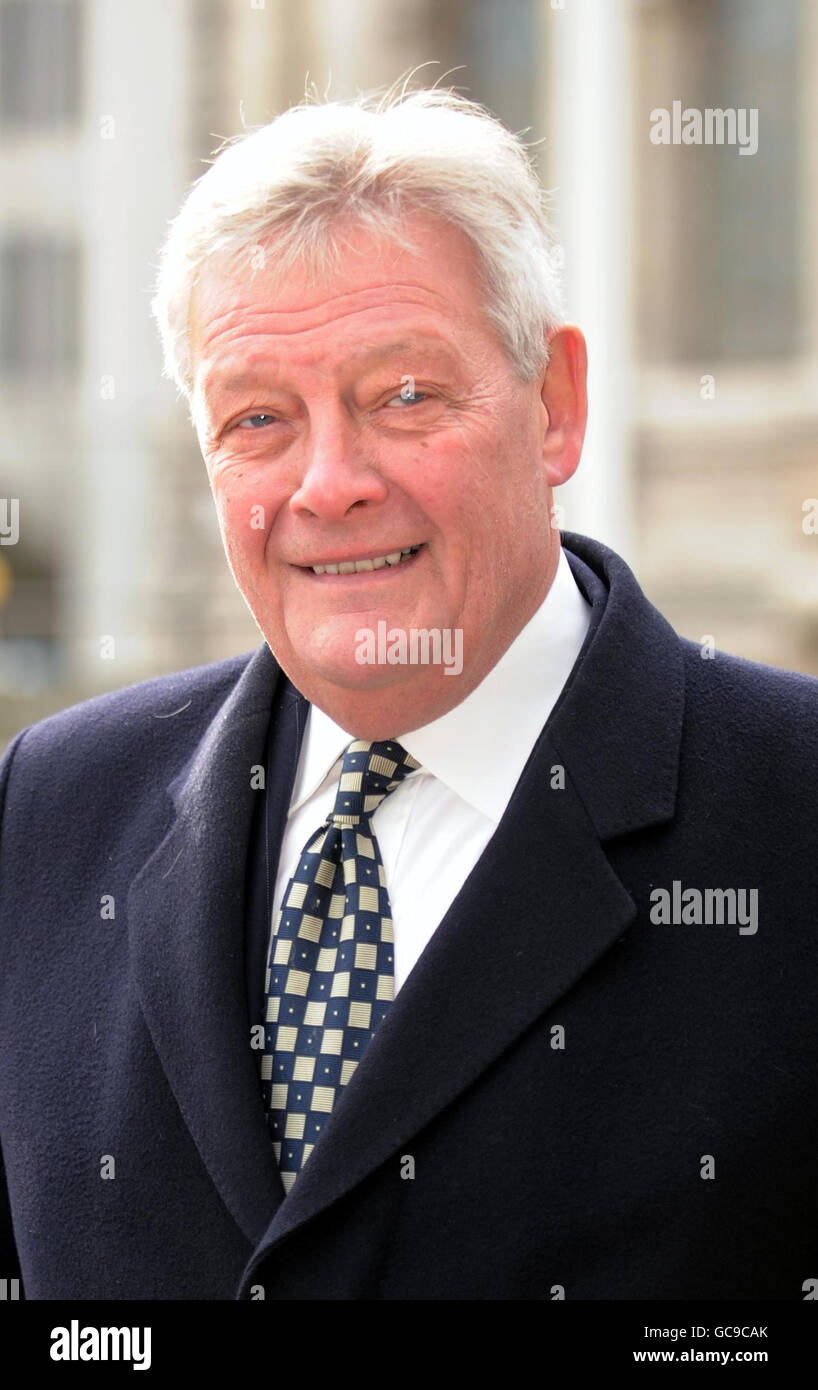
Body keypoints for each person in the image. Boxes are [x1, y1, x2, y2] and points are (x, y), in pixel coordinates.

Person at [0, 86, 816, 1302]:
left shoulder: (792, 812)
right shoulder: (47, 809)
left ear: (553, 406)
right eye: (259, 419)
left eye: (403, 397)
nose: (329, 484)